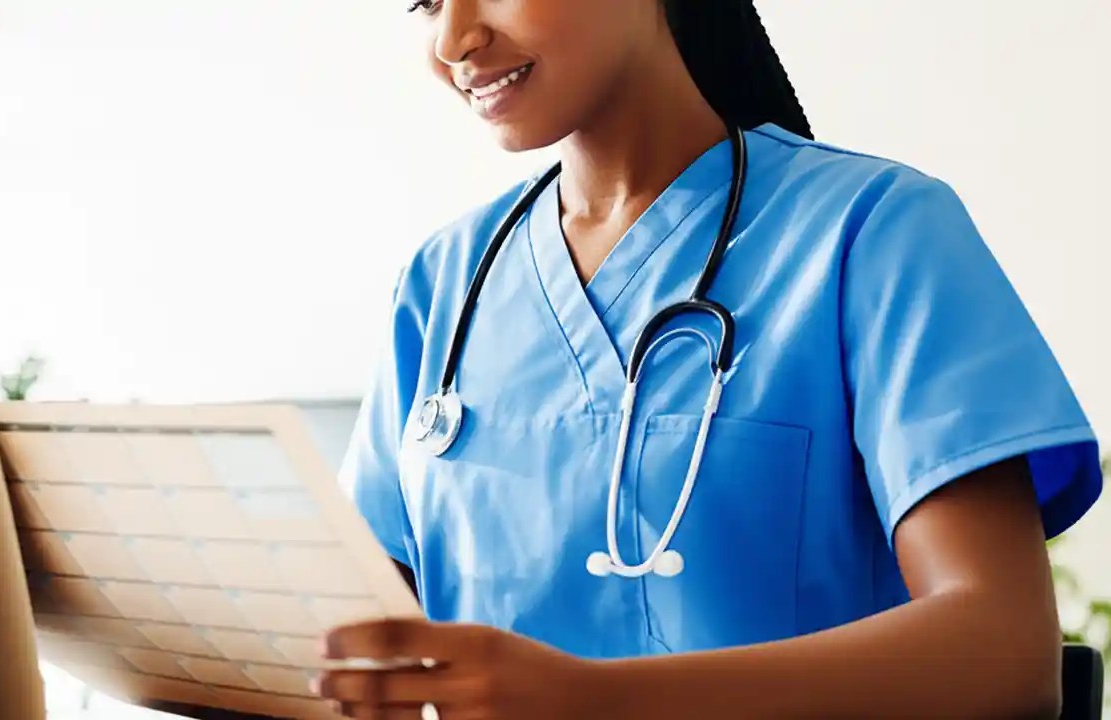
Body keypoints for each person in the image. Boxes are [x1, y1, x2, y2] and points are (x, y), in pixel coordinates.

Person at [323, 1, 1103, 718]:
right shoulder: (444, 282)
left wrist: (595, 701)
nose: (455, 38)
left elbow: (1003, 654)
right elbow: (338, 637)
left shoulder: (874, 231)